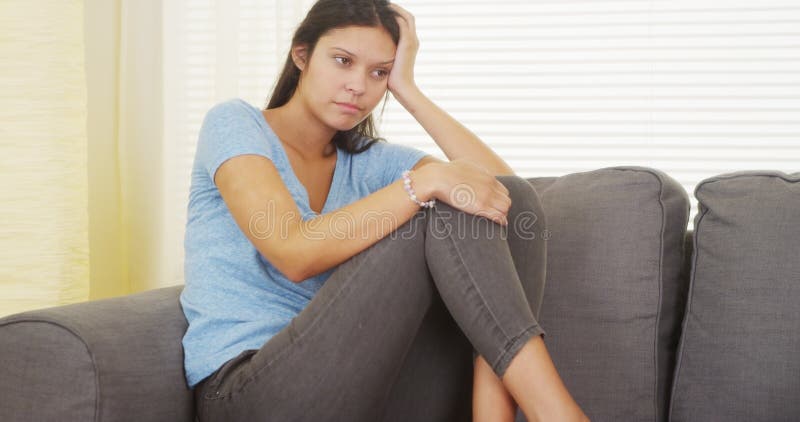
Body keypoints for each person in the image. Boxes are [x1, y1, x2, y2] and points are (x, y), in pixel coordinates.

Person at [180, 0, 590, 421]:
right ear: (301, 55)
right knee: (441, 199)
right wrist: (424, 184)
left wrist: (408, 90)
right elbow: (293, 252)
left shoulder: (370, 161)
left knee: (500, 198)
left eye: (378, 73)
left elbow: (503, 194)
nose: (358, 85)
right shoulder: (235, 124)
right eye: (343, 61)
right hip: (250, 389)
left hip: (356, 384)